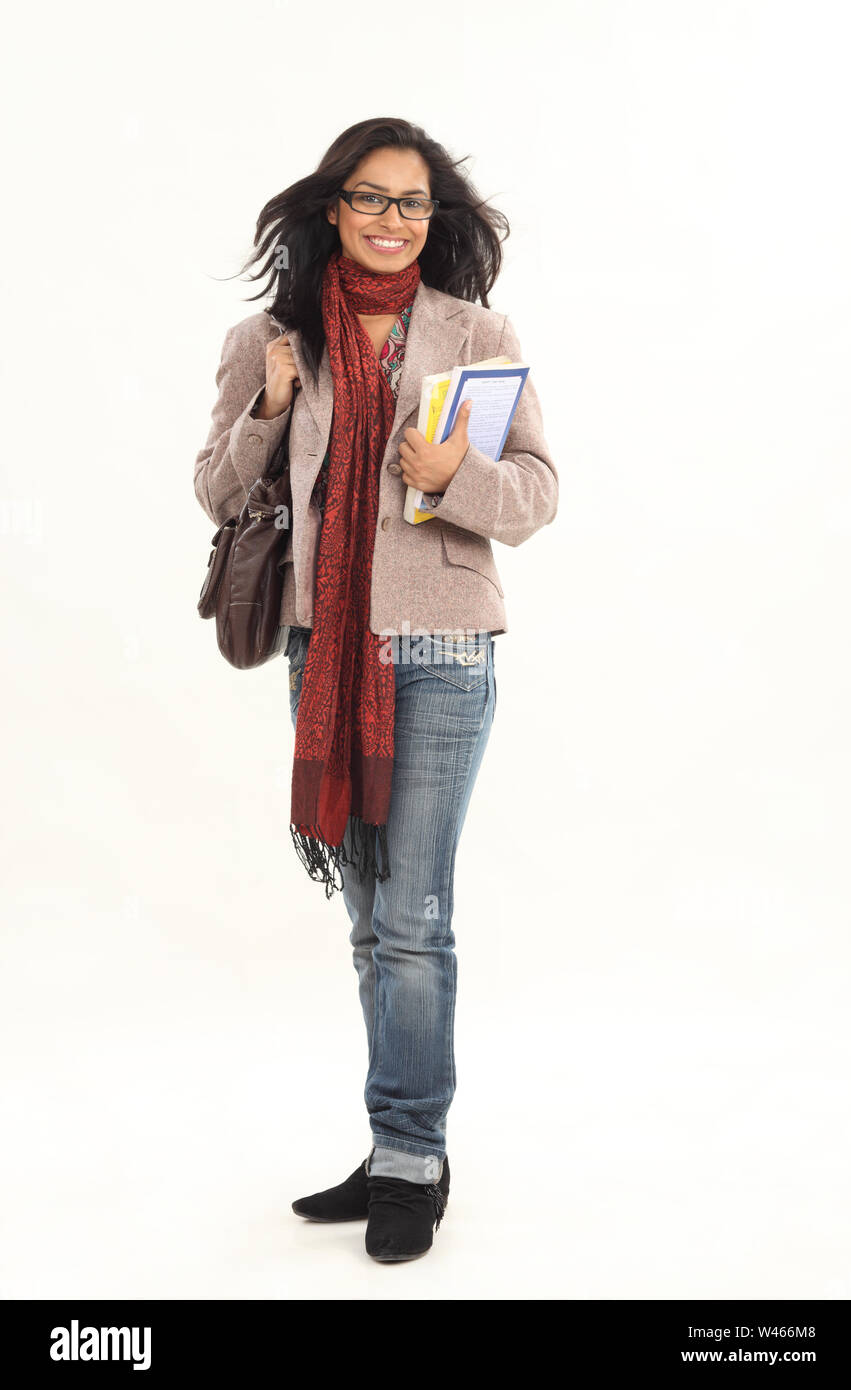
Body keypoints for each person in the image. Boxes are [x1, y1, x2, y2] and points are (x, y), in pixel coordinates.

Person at [194, 117, 558, 1262]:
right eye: (371, 198)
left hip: (442, 648)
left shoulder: (475, 332)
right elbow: (214, 490)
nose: (392, 221)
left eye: (412, 203)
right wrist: (266, 406)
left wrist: (456, 477)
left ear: (431, 219)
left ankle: (409, 1155)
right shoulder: (270, 336)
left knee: (411, 917)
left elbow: (537, 495)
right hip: (325, 650)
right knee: (368, 922)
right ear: (332, 207)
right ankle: (398, 1143)